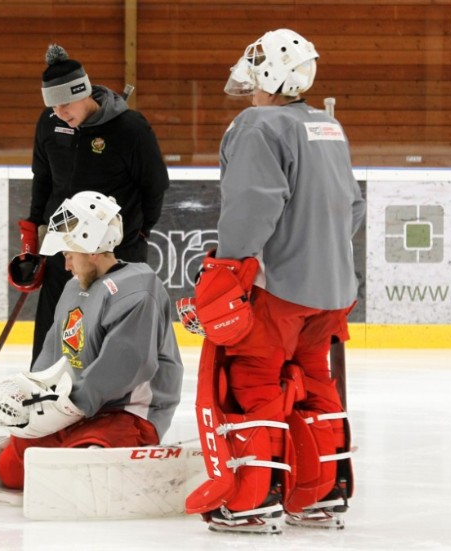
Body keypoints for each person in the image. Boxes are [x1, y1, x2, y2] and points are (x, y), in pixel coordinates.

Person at [178, 29, 365, 534]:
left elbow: (253, 205)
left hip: (275, 288)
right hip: (330, 290)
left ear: (268, 72)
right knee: (314, 385)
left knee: (254, 384)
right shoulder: (328, 127)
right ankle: (321, 495)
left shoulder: (257, 125)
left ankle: (251, 499)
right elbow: (352, 208)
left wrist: (229, 269)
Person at [0, 191, 183, 490]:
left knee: (77, 474)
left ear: (93, 249)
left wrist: (69, 406)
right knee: (13, 471)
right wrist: (33, 393)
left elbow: (126, 367)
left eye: (69, 255)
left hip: (127, 414)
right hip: (76, 408)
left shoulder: (138, 291)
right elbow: (54, 353)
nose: (66, 265)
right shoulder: (72, 289)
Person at [11, 43, 170, 365]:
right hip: (63, 245)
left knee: (109, 328)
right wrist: (33, 233)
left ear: (84, 92)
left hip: (114, 249)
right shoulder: (50, 123)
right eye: (53, 107)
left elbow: (155, 185)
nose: (60, 113)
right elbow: (42, 178)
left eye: (66, 104)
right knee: (53, 326)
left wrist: (140, 233)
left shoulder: (130, 128)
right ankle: (42, 389)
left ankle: (106, 396)